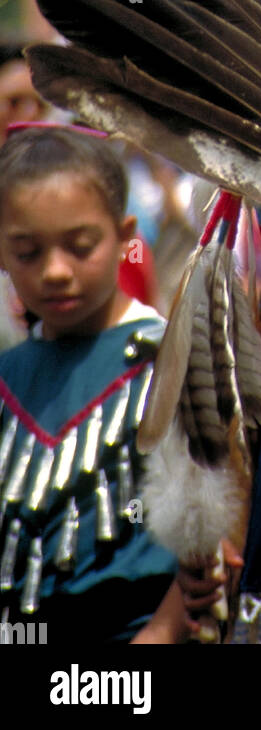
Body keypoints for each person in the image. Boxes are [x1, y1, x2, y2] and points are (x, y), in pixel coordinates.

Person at [0, 126, 185, 642]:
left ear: (126, 237)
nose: (56, 271)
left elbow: (210, 534)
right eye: (28, 253)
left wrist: (164, 631)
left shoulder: (166, 358)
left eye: (80, 246)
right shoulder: (9, 375)